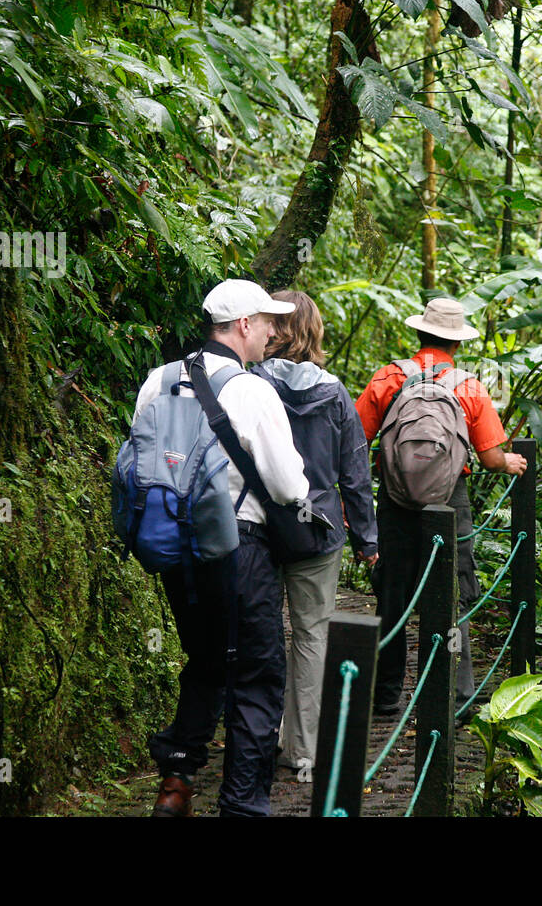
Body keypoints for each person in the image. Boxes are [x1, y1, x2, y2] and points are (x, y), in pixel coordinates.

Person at [133, 278, 309, 817]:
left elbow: (143, 462)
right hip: (241, 551)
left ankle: (176, 782)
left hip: (174, 551)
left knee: (206, 660)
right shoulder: (252, 391)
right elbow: (287, 487)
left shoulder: (157, 382)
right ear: (242, 326)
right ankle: (242, 805)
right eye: (268, 320)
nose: (275, 330)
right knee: (256, 675)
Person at [355, 297, 527, 715]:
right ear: (457, 343)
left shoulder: (389, 378)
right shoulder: (469, 386)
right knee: (455, 594)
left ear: (419, 333)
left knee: (392, 593)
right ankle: (459, 696)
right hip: (450, 504)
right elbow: (489, 458)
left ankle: (386, 694)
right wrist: (509, 462)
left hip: (395, 502)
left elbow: (354, 441)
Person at [250, 290, 379, 774]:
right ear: (314, 331)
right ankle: (303, 751)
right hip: (318, 532)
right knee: (310, 637)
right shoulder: (335, 393)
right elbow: (355, 473)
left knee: (259, 634)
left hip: (259, 526)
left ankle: (255, 739)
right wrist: (368, 540)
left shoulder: (248, 384)